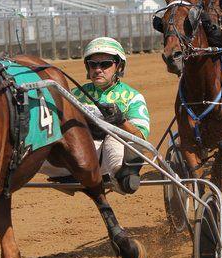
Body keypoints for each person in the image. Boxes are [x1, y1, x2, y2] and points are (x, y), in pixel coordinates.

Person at [42, 37, 150, 194]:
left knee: (114, 136)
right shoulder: (74, 95)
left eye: (105, 64)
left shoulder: (133, 97)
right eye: (93, 64)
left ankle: (123, 177)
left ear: (119, 66)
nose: (98, 69)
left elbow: (140, 138)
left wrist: (121, 121)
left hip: (107, 156)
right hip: (74, 156)